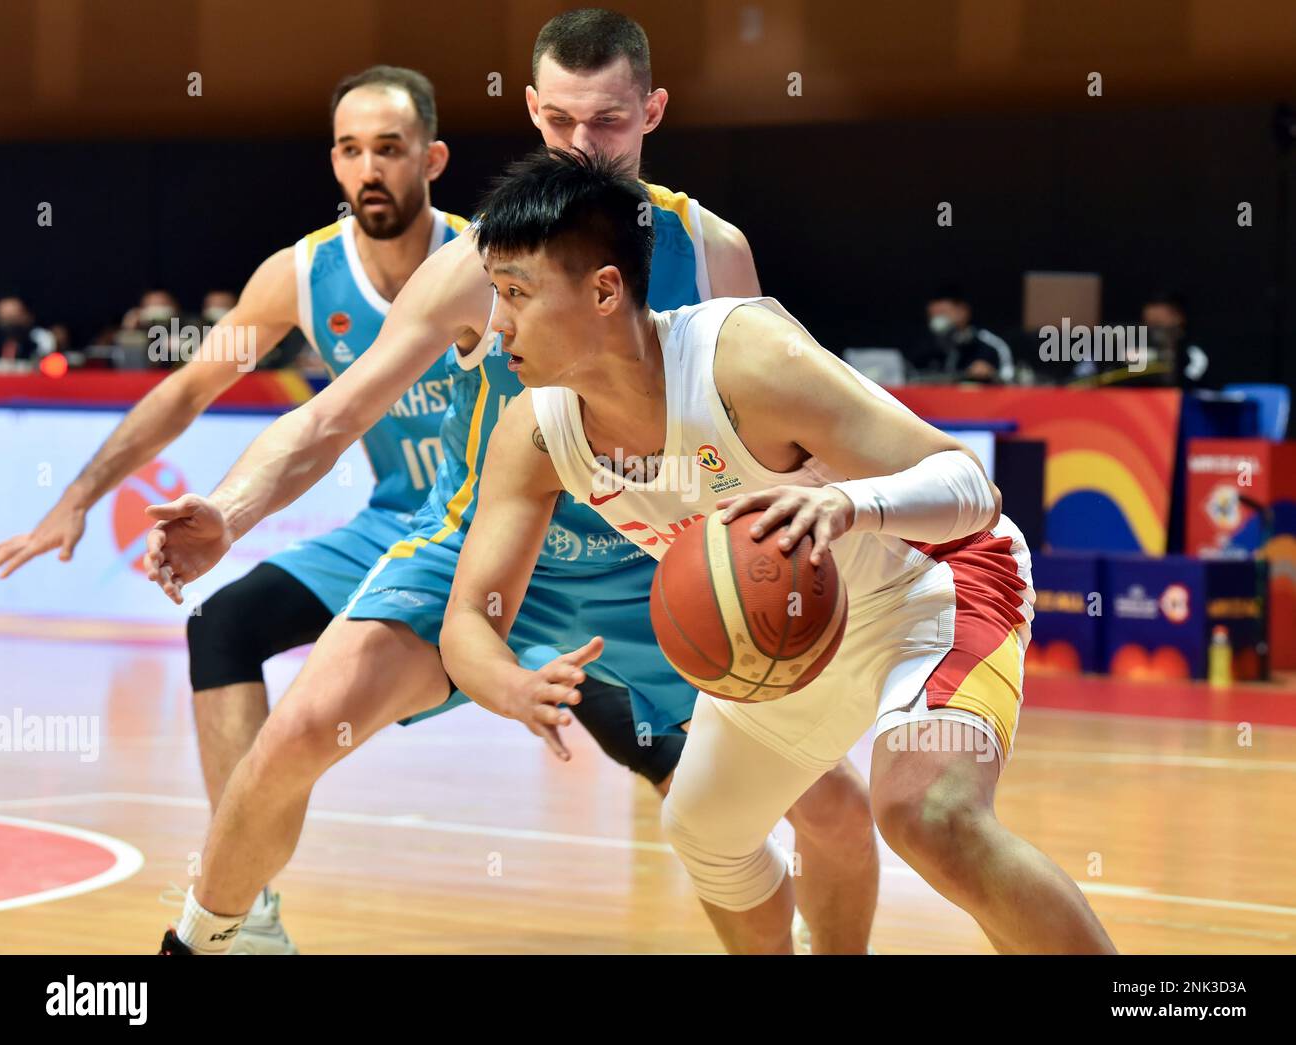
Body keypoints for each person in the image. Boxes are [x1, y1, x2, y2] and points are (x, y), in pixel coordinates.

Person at [142, 9, 877, 956]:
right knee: (301, 730)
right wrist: (231, 509)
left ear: (651, 111)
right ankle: (208, 941)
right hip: (485, 552)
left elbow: (772, 427)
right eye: (561, 123)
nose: (581, 147)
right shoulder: (475, 264)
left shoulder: (713, 252)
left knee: (833, 810)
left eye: (607, 123)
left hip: (664, 565)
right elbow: (334, 415)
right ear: (531, 111)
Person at [438, 147, 1116, 955]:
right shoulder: (535, 433)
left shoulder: (744, 357)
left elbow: (970, 485)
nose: (496, 322)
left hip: (933, 582)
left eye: (516, 293)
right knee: (704, 829)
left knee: (925, 815)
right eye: (495, 293)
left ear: (604, 291)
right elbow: (467, 623)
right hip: (794, 629)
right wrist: (514, 685)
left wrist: (846, 504)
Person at [0, 65, 471, 953]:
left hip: (491, 533)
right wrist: (77, 498)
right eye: (351, 149)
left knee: (634, 703)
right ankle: (247, 914)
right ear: (333, 162)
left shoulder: (487, 261)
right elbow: (187, 390)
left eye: (391, 149)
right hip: (394, 522)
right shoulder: (303, 274)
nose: (369, 168)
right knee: (221, 623)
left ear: (432, 159)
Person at [910, 284, 1014, 383]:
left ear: (963, 311)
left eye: (942, 313)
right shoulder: (925, 347)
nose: (936, 320)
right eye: (932, 315)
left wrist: (991, 375)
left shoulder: (989, 345)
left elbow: (1010, 382)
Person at [0, 296, 55, 362]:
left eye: (14, 318)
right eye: (5, 319)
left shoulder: (39, 339)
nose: (9, 325)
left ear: (27, 316)